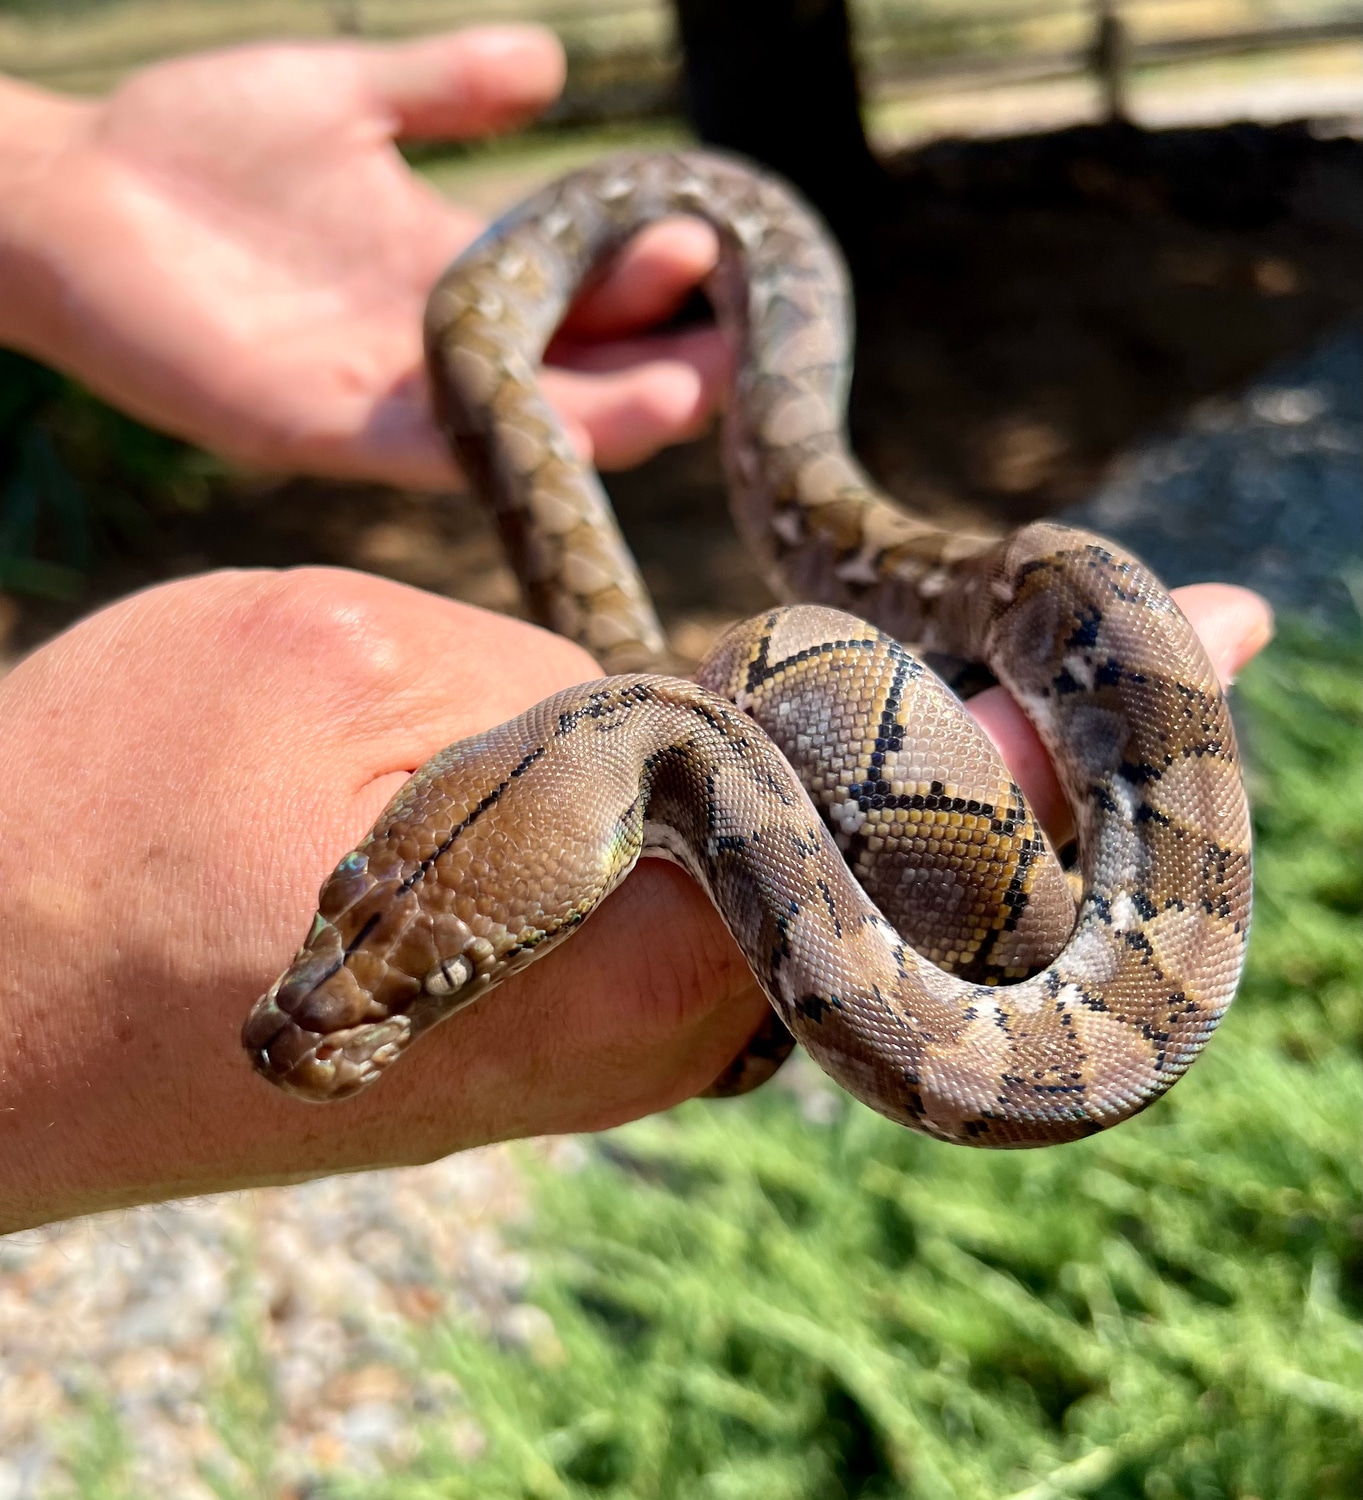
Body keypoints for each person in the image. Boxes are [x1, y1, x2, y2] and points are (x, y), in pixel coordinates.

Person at [0, 27, 1271, 1233]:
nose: (314, 1019)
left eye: (440, 979)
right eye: (348, 899)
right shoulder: (688, 747)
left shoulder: (718, 735)